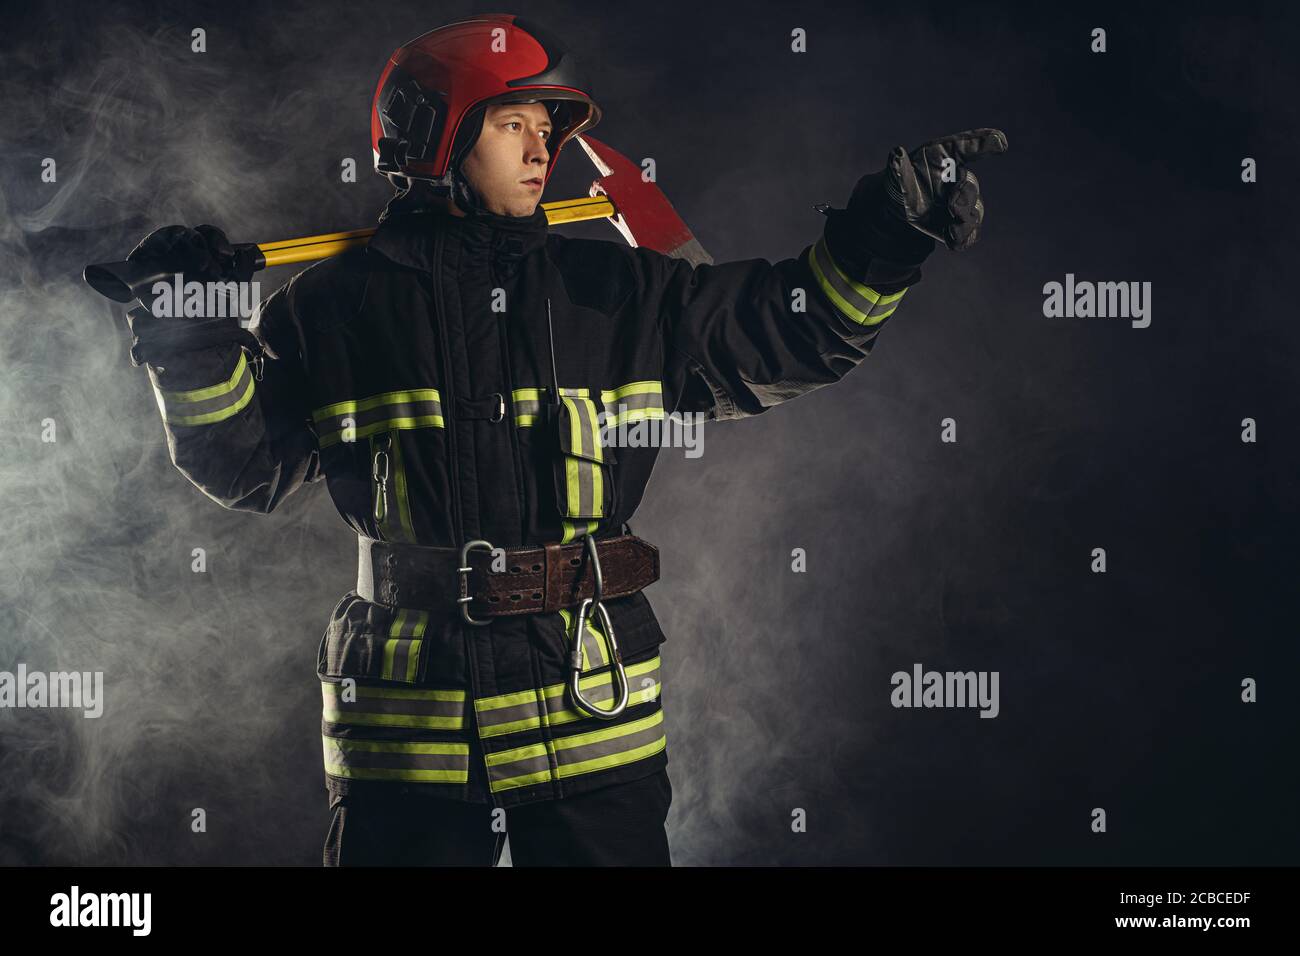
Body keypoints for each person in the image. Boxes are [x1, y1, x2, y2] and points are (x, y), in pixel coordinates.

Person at [123, 13, 1006, 866]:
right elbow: (241, 463)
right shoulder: (333, 307)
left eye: (546, 126)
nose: (542, 148)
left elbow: (795, 332)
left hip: (590, 716)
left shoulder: (621, 290)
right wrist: (186, 327)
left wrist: (888, 232)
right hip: (407, 733)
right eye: (513, 123)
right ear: (433, 138)